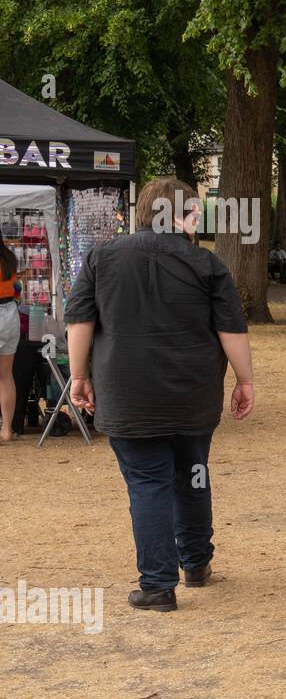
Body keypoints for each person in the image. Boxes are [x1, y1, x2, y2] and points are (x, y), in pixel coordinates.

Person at [65, 177, 254, 612]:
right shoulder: (207, 265)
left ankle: (157, 584)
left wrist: (78, 376)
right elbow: (231, 329)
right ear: (187, 216)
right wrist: (245, 380)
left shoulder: (102, 257)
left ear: (143, 212)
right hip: (193, 392)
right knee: (193, 473)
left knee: (148, 483)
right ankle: (196, 562)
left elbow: (80, 322)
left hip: (128, 393)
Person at [0, 239, 20, 443]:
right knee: (5, 376)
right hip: (10, 313)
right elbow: (16, 289)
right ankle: (7, 429)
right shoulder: (10, 258)